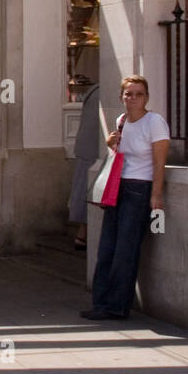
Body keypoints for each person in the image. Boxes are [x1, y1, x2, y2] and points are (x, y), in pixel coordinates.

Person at [82, 75, 168, 320]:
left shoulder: (155, 122)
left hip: (139, 190)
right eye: (129, 94)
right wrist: (110, 143)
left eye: (139, 94)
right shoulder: (121, 121)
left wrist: (156, 195)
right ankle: (100, 303)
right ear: (121, 97)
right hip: (117, 187)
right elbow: (119, 156)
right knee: (106, 248)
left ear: (147, 97)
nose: (133, 98)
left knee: (125, 251)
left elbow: (159, 163)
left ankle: (116, 307)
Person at [69, 82, 102, 249]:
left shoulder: (94, 91)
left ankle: (82, 234)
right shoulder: (101, 92)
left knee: (84, 190)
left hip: (87, 149)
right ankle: (83, 234)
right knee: (88, 192)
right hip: (94, 151)